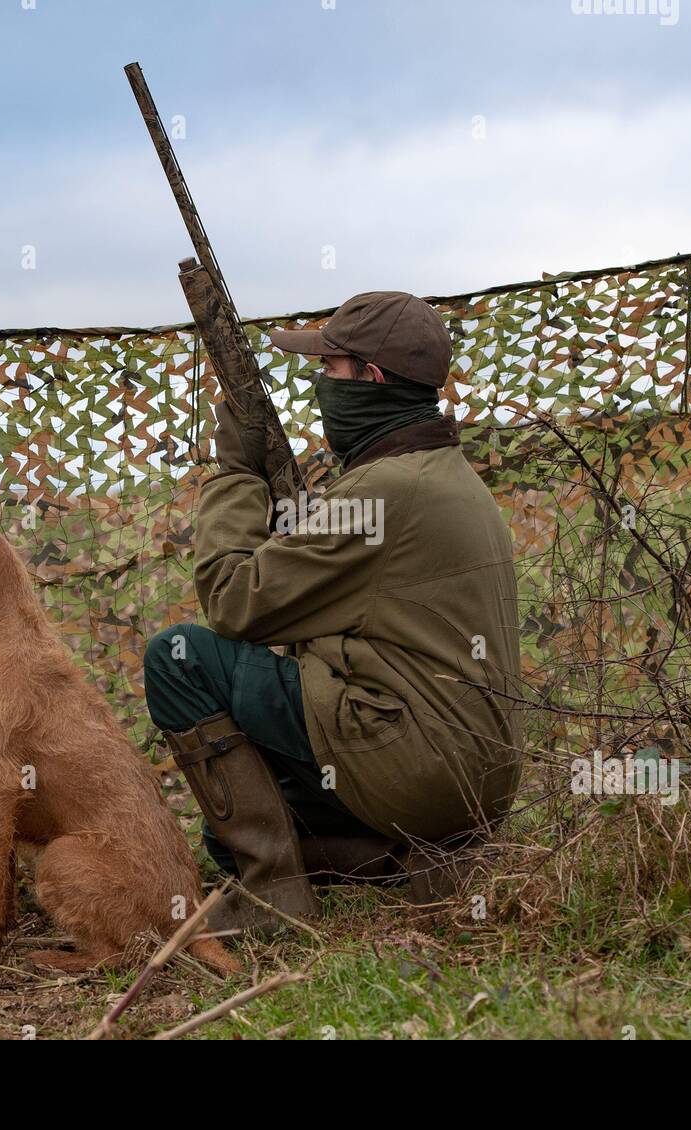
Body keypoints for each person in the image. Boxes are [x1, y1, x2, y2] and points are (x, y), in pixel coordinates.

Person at [143, 290, 523, 934]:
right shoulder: (442, 475)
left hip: (414, 762)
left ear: (370, 379)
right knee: (226, 831)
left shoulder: (386, 492)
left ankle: (274, 895)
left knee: (178, 658)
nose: (322, 385)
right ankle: (417, 863)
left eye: (331, 368)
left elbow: (234, 601)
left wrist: (237, 472)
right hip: (472, 781)